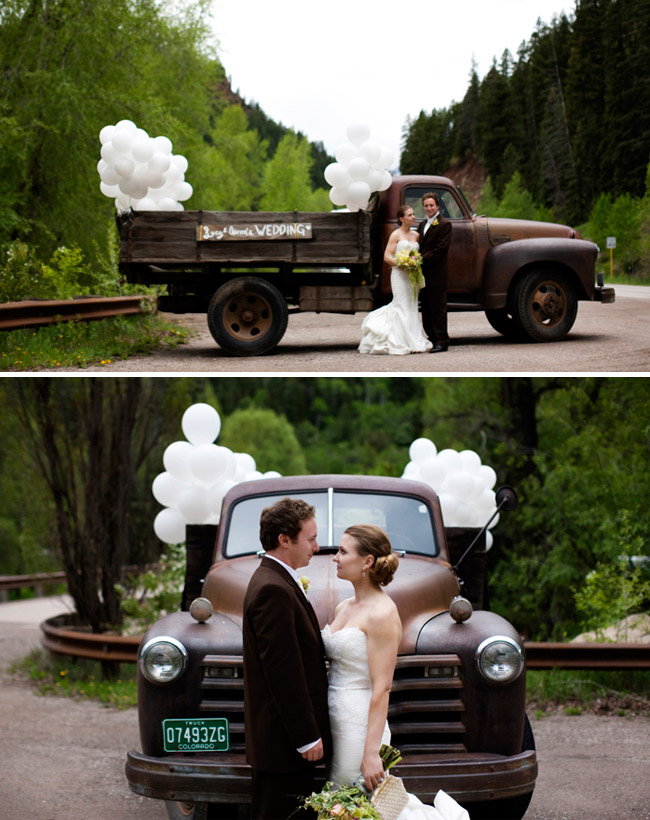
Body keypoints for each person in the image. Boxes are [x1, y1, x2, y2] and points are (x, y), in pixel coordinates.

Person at [323, 524, 468, 820]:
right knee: (341, 804)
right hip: (334, 720)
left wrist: (371, 751)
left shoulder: (382, 613)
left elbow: (382, 687)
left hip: (359, 726)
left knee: (353, 804)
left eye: (342, 551)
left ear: (367, 562)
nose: (334, 558)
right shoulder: (342, 607)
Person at [243, 497, 332, 820]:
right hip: (283, 744)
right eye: (310, 539)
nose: (317, 546)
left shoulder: (276, 579)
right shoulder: (272, 589)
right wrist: (306, 736)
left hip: (283, 743)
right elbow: (283, 670)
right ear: (284, 540)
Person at [358, 205, 432, 355]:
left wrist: (414, 263)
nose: (413, 217)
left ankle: (413, 339)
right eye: (410, 215)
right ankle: (398, 340)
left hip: (413, 275)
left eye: (413, 214)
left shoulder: (416, 236)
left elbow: (419, 254)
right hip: (399, 274)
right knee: (401, 303)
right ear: (401, 219)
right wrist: (401, 264)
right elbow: (387, 256)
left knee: (411, 305)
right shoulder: (395, 235)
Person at [418, 192, 452, 353]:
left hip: (437, 273)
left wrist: (420, 260)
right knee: (426, 307)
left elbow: (441, 250)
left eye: (431, 205)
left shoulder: (445, 224)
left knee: (438, 308)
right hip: (423, 275)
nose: (429, 208)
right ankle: (431, 337)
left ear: (437, 206)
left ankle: (442, 341)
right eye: (426, 205)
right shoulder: (422, 224)